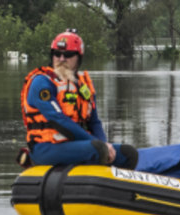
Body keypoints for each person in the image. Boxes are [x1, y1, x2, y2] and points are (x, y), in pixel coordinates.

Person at [19, 29, 138, 169]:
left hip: (76, 145)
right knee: (97, 149)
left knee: (128, 153)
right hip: (46, 148)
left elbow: (94, 122)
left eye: (68, 55)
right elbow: (58, 120)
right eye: (57, 54)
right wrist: (98, 145)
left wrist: (105, 144)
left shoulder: (83, 86)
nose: (61, 59)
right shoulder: (41, 83)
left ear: (78, 58)